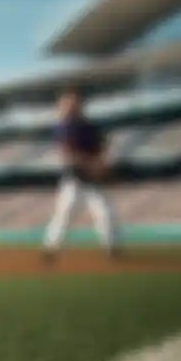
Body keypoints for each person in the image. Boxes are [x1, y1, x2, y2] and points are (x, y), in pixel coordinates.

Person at [43, 88, 120, 261]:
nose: (69, 107)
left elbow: (102, 149)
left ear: (80, 105)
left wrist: (100, 166)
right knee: (64, 214)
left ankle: (111, 248)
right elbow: (67, 153)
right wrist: (90, 164)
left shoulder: (91, 127)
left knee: (105, 212)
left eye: (73, 103)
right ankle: (51, 249)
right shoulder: (63, 126)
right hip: (74, 178)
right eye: (66, 104)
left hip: (92, 179)